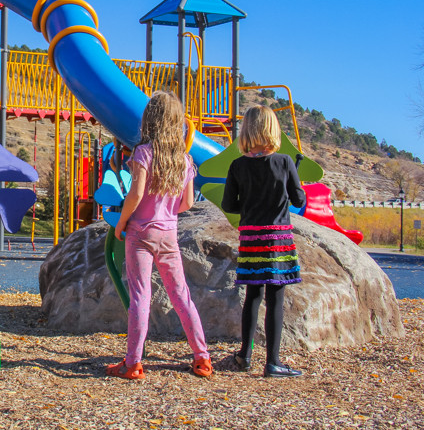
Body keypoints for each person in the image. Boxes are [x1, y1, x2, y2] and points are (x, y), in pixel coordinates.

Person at [106, 91, 212, 380]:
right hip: (169, 234)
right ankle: (202, 357)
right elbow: (188, 203)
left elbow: (136, 193)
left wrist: (122, 223)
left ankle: (133, 363)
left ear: (149, 120)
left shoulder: (144, 153)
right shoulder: (184, 159)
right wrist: (166, 212)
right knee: (180, 296)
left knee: (141, 296)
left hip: (140, 233)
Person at [221, 105, 306, 378]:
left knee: (252, 296)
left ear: (246, 130)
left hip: (250, 238)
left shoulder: (237, 165)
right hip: (278, 237)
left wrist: (250, 204)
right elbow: (299, 201)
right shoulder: (284, 162)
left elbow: (229, 205)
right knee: (276, 297)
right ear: (273, 129)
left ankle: (245, 355)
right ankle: (273, 362)